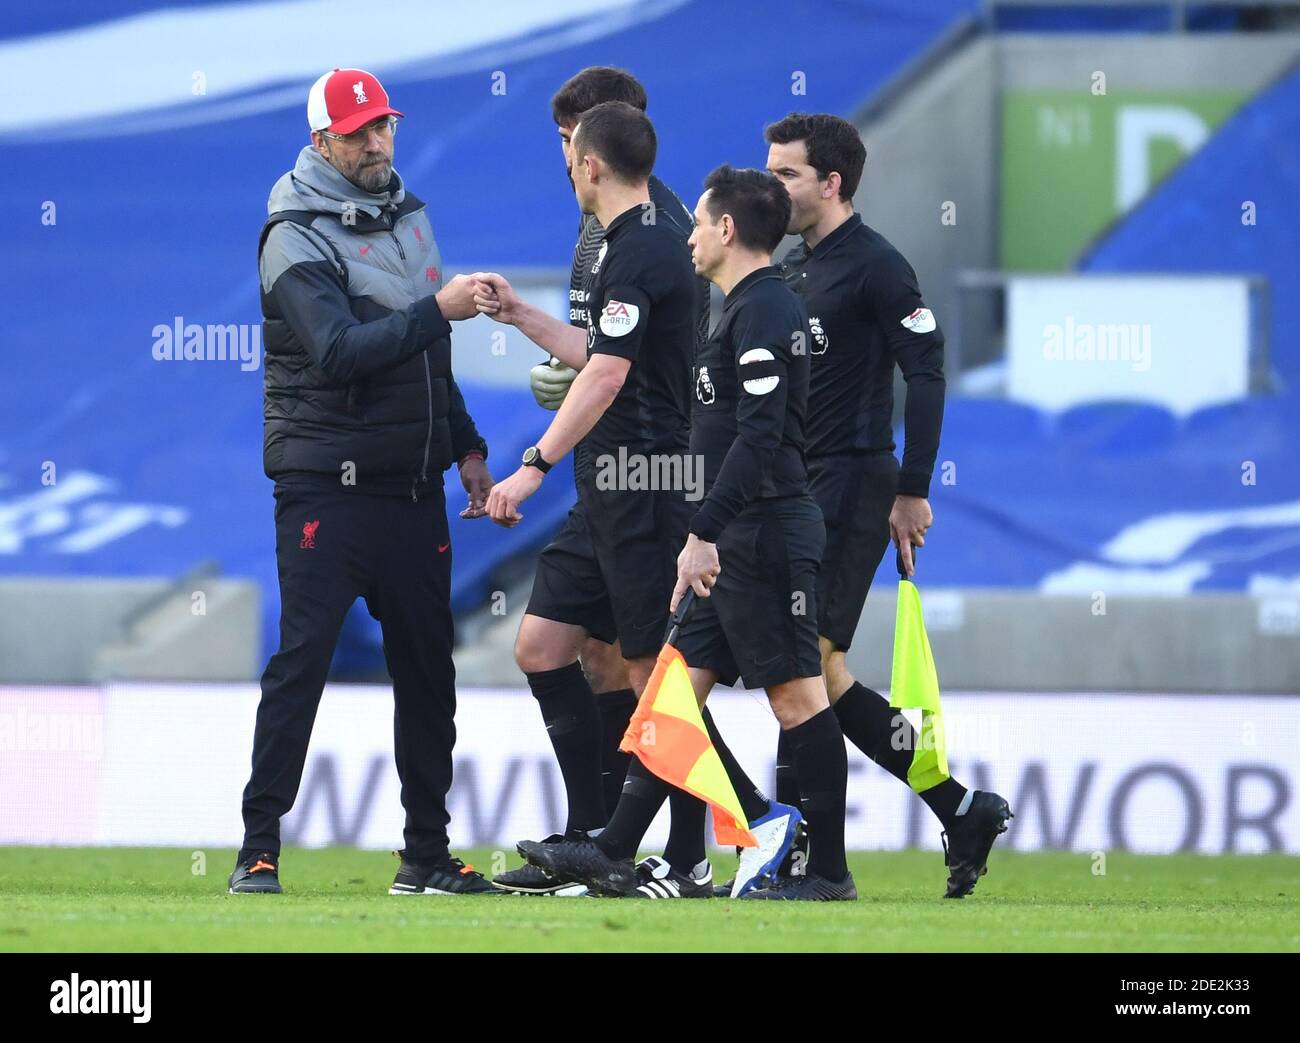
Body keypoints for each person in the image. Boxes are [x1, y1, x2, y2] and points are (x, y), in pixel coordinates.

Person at [519, 167, 858, 901]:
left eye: (700, 223)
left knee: (797, 698)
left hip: (761, 533)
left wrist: (703, 528)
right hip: (732, 533)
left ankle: (828, 869)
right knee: (671, 694)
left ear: (727, 231)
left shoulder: (765, 310)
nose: (691, 235)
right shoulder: (737, 307)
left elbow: (761, 437)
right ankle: (614, 848)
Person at [713, 112, 1011, 899]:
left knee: (804, 667)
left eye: (787, 174)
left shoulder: (879, 267)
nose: (772, 185)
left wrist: (912, 487)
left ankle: (817, 862)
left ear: (831, 182)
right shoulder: (794, 269)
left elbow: (929, 372)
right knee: (817, 673)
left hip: (852, 483)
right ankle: (957, 805)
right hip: (800, 490)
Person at [229, 67, 498, 897]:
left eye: (383, 125)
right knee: (302, 662)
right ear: (321, 143)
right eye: (357, 132)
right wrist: (437, 312)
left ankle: (426, 855)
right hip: (327, 486)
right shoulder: (291, 232)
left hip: (413, 487)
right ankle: (259, 847)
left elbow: (427, 353)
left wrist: (466, 441)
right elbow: (339, 351)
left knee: (429, 671)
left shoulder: (406, 213)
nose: (377, 141)